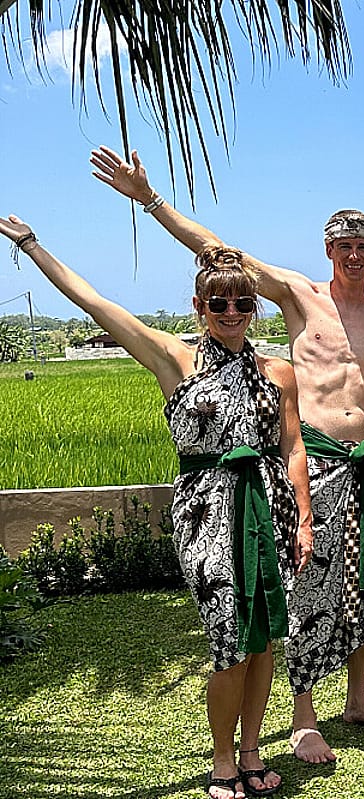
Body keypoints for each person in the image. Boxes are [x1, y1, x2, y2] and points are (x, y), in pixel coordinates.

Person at [91, 147, 364, 762]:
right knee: (304, 592)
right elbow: (220, 251)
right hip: (311, 463)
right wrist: (150, 199)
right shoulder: (300, 295)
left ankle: (358, 698)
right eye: (344, 245)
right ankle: (304, 716)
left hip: (363, 467)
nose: (354, 255)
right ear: (329, 250)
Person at [2, 215, 313, 799]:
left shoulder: (278, 372)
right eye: (219, 303)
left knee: (264, 639)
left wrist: (304, 520)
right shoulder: (176, 359)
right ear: (199, 306)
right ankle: (223, 757)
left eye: (242, 303)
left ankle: (251, 751)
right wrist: (31, 245)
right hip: (208, 514)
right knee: (230, 641)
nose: (231, 313)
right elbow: (95, 302)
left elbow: (292, 448)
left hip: (269, 507)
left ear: (255, 307)